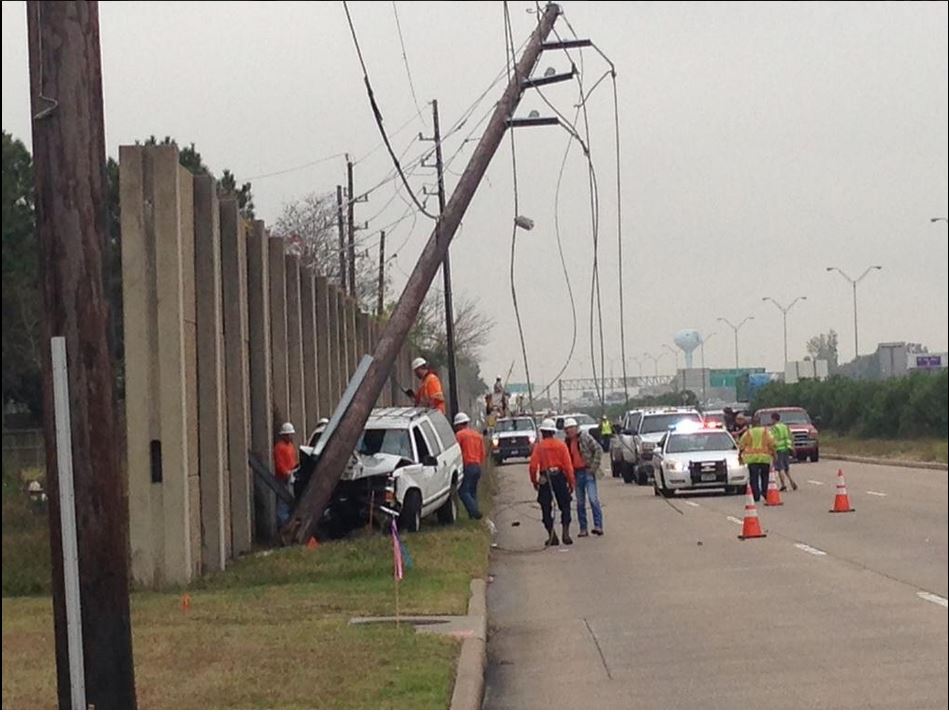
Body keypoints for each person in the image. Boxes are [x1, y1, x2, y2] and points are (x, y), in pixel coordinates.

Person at [529, 418, 575, 546]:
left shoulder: (539, 447)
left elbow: (533, 467)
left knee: (545, 507)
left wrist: (535, 481)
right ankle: (566, 533)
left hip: (545, 477)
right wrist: (571, 483)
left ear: (543, 432)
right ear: (553, 432)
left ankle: (552, 535)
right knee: (565, 505)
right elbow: (568, 467)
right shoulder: (561, 445)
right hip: (559, 476)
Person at [564, 417, 605, 537]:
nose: (569, 431)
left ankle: (598, 526)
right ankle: (583, 528)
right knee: (580, 503)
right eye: (567, 429)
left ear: (576, 428)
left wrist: (593, 467)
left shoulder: (585, 438)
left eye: (571, 428)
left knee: (593, 499)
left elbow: (598, 450)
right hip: (576, 474)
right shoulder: (567, 442)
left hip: (588, 472)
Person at [738, 414, 776, 502]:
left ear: (752, 423)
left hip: (752, 459)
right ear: (759, 422)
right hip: (765, 458)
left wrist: (740, 455)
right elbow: (772, 443)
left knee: (753, 478)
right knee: (765, 477)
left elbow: (741, 444)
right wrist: (774, 454)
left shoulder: (748, 433)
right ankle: (765, 494)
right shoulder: (766, 432)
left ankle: (756, 496)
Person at [453, 412, 484, 519]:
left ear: (459, 424)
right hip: (477, 466)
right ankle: (473, 516)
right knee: (472, 491)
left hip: (467, 466)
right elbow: (482, 453)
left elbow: (456, 452)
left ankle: (475, 512)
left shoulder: (459, 435)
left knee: (463, 491)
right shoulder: (477, 435)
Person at [273, 422, 299, 526]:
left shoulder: (290, 446)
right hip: (283, 479)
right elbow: (279, 464)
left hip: (291, 477)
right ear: (284, 435)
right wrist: (286, 473)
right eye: (289, 434)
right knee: (283, 505)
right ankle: (284, 526)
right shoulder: (279, 447)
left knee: (289, 503)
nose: (291, 436)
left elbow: (293, 461)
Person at [770, 412, 798, 491]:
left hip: (779, 449)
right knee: (786, 467)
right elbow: (791, 436)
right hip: (786, 448)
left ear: (774, 419)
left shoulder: (774, 428)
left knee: (780, 468)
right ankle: (791, 481)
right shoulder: (785, 426)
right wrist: (792, 447)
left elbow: (773, 439)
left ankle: (783, 485)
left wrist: (772, 450)